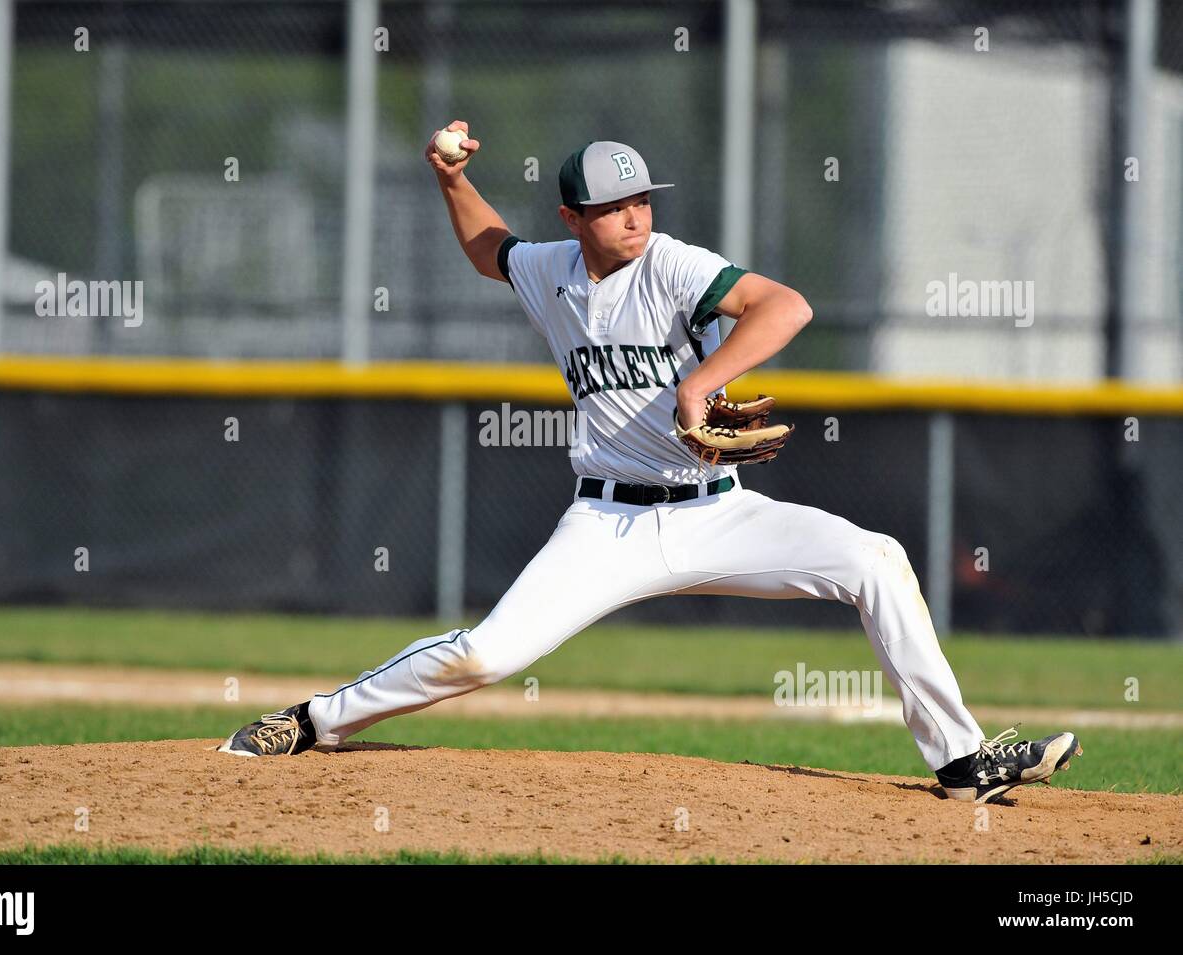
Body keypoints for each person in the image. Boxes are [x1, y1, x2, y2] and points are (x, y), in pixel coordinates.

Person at [218, 122, 1082, 804]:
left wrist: (703, 379)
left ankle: (962, 758)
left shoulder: (669, 264)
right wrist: (451, 180)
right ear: (574, 221)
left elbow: (786, 306)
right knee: (485, 656)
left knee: (877, 559)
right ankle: (311, 720)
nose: (636, 216)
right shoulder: (551, 269)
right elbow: (491, 251)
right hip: (608, 523)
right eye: (614, 206)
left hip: (718, 509)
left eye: (642, 199)